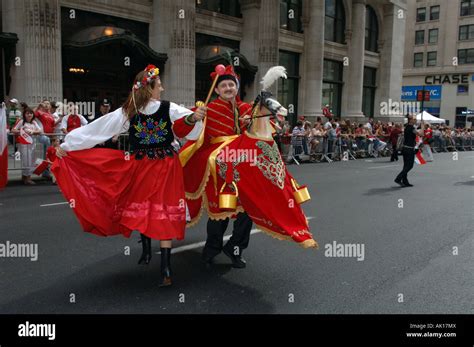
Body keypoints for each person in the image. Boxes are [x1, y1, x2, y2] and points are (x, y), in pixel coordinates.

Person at [52, 64, 205, 286]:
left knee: (142, 206)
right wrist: (195, 118)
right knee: (161, 210)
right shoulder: (161, 108)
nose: (162, 88)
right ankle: (165, 268)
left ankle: (151, 255)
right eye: (159, 85)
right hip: (164, 165)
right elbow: (191, 127)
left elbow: (97, 129)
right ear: (150, 87)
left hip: (143, 165)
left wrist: (69, 144)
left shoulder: (128, 111)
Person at [180, 64, 254, 268]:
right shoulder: (208, 109)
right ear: (218, 90)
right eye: (224, 85)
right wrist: (194, 117)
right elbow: (184, 128)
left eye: (232, 84)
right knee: (220, 211)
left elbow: (260, 133)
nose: (229, 88)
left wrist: (256, 122)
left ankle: (235, 248)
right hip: (219, 168)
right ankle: (211, 249)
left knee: (247, 211)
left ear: (236, 88)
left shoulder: (245, 109)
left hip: (244, 166)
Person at [11, 107, 42, 185]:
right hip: (24, 145)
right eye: (27, 113)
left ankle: (25, 177)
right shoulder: (21, 122)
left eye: (31, 113)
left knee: (31, 160)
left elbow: (40, 131)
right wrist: (22, 131)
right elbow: (13, 130)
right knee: (26, 161)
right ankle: (27, 178)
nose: (29, 115)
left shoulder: (34, 122)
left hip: (32, 144)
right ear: (24, 114)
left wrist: (32, 132)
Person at [394, 115, 424, 187]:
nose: (416, 120)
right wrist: (422, 126)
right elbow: (421, 134)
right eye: (414, 119)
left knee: (406, 166)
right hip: (409, 149)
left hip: (405, 148)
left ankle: (405, 181)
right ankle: (398, 178)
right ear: (410, 120)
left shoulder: (407, 127)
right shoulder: (411, 128)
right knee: (410, 166)